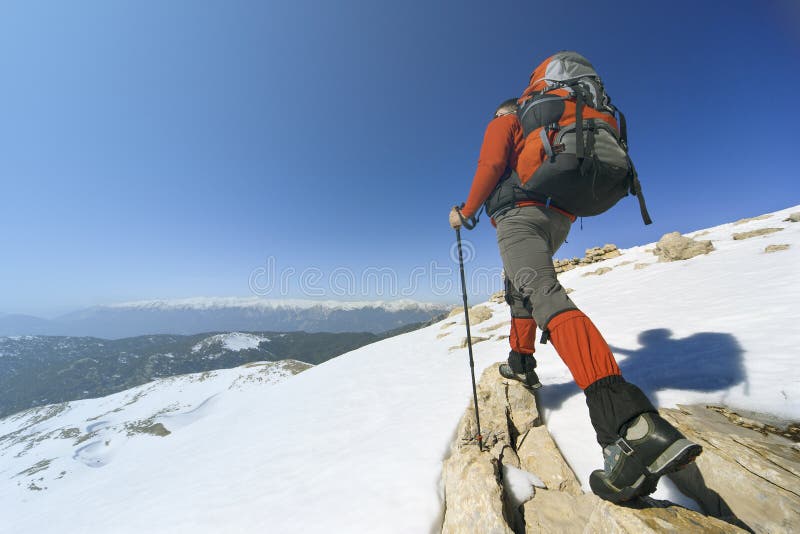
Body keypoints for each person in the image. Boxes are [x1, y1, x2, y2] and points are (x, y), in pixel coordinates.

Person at [449, 88, 701, 502]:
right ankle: (521, 361)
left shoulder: (506, 121)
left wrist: (466, 210)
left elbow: (491, 163)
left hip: (519, 218)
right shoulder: (552, 126)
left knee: (543, 294)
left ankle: (629, 426)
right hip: (556, 219)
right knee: (522, 287)